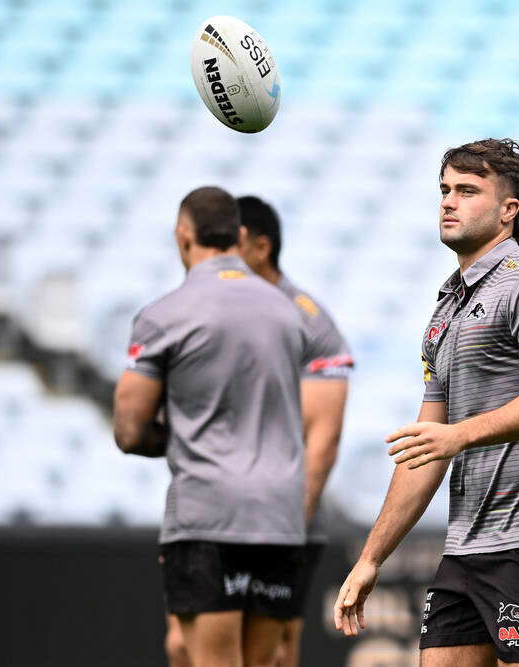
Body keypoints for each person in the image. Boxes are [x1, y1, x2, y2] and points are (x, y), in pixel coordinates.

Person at [333, 138, 519, 666]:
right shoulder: (446, 309)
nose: (448, 201)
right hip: (466, 546)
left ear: (508, 211)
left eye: (468, 191)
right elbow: (429, 446)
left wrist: (461, 434)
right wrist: (371, 558)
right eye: (445, 190)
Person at [114, 186, 321, 667]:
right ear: (238, 236)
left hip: (208, 514)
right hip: (279, 516)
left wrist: (178, 434)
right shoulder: (289, 313)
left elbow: (129, 429)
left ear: (184, 236)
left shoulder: (164, 314)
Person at [161, 195, 353, 667]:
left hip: (285, 516)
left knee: (277, 651)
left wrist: (290, 523)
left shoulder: (307, 319)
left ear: (259, 248)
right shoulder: (206, 310)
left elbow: (322, 438)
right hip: (216, 508)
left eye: (234, 243)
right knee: (181, 645)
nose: (221, 254)